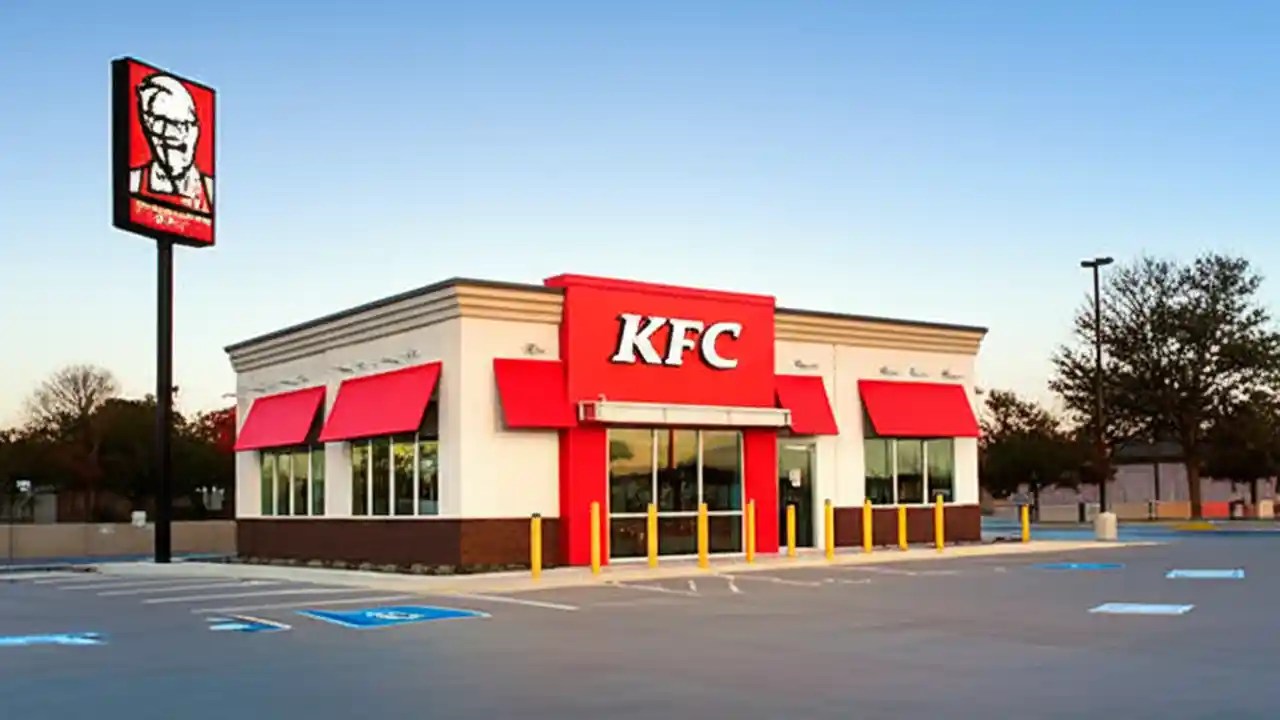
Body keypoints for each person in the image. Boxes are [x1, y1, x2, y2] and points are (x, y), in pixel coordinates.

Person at [128, 73, 213, 214]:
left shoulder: (210, 191)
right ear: (147, 127)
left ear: (196, 129)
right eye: (161, 122)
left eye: (183, 124)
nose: (173, 134)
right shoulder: (133, 184)